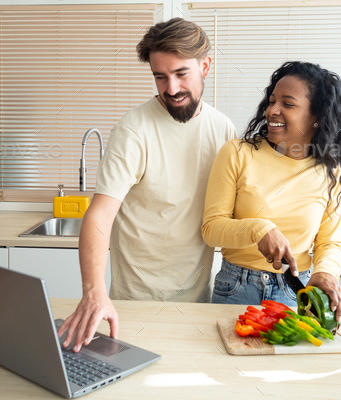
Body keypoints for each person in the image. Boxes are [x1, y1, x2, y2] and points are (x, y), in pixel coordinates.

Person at [58, 18, 236, 352]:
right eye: (160, 76)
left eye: (181, 74)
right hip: (134, 306)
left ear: (205, 66)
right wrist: (94, 291)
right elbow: (98, 217)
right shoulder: (133, 131)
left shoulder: (223, 129)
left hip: (200, 302)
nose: (171, 88)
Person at [201, 61, 341, 324]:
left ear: (317, 116)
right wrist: (259, 229)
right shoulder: (238, 153)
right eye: (272, 101)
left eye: (288, 104)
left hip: (295, 291)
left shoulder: (330, 173)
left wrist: (327, 272)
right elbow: (211, 228)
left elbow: (330, 242)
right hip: (237, 289)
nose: (272, 110)